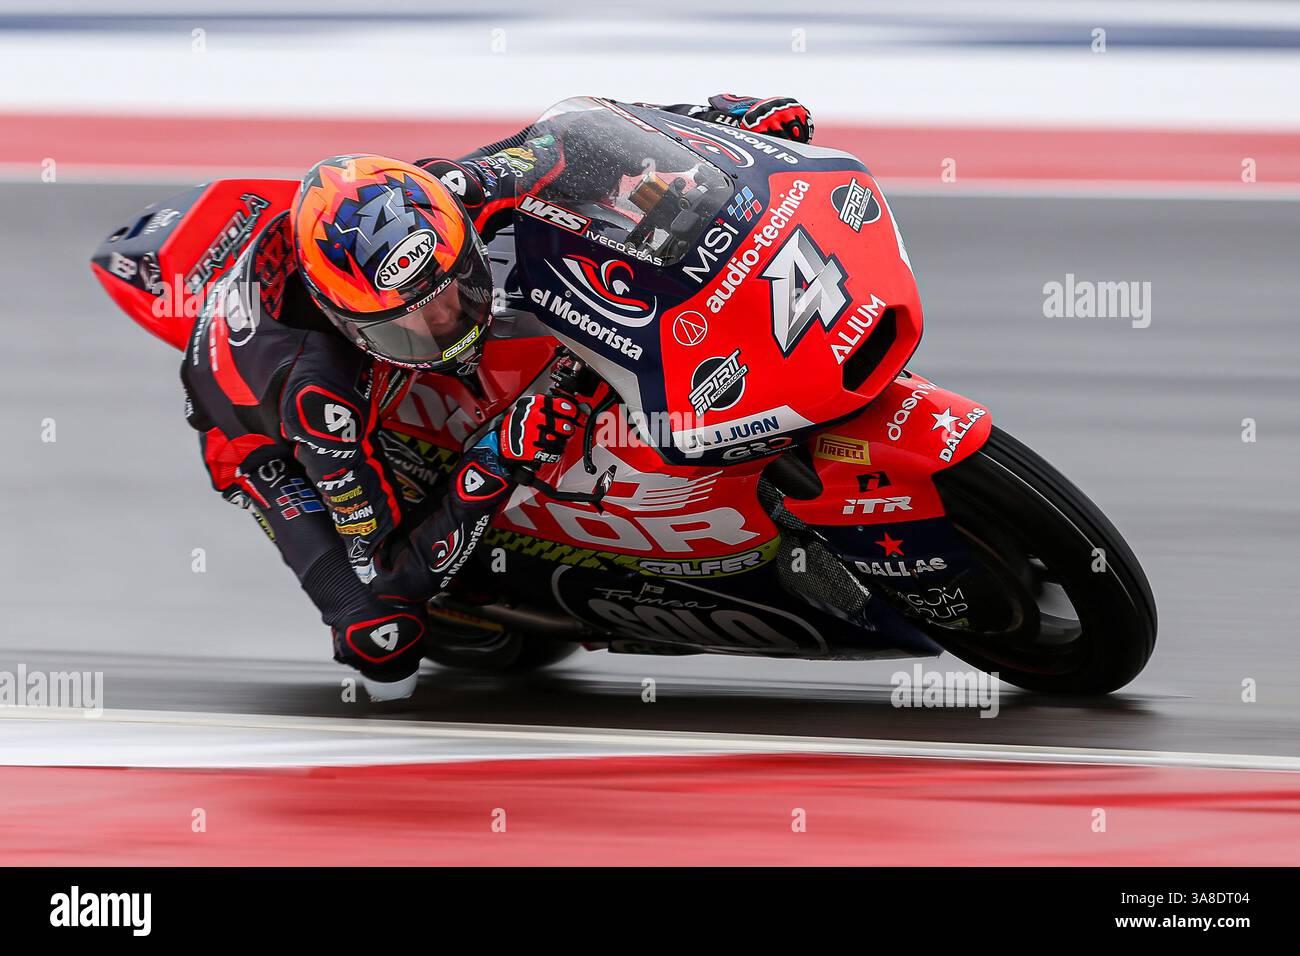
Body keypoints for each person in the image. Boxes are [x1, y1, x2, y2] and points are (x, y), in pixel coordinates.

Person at [179, 94, 813, 701]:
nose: (446, 322)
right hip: (250, 431)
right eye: (409, 325)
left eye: (451, 288)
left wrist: (721, 122)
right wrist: (495, 459)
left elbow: (583, 141)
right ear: (349, 325)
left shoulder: (451, 191)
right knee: (380, 634)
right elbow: (387, 563)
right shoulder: (319, 397)